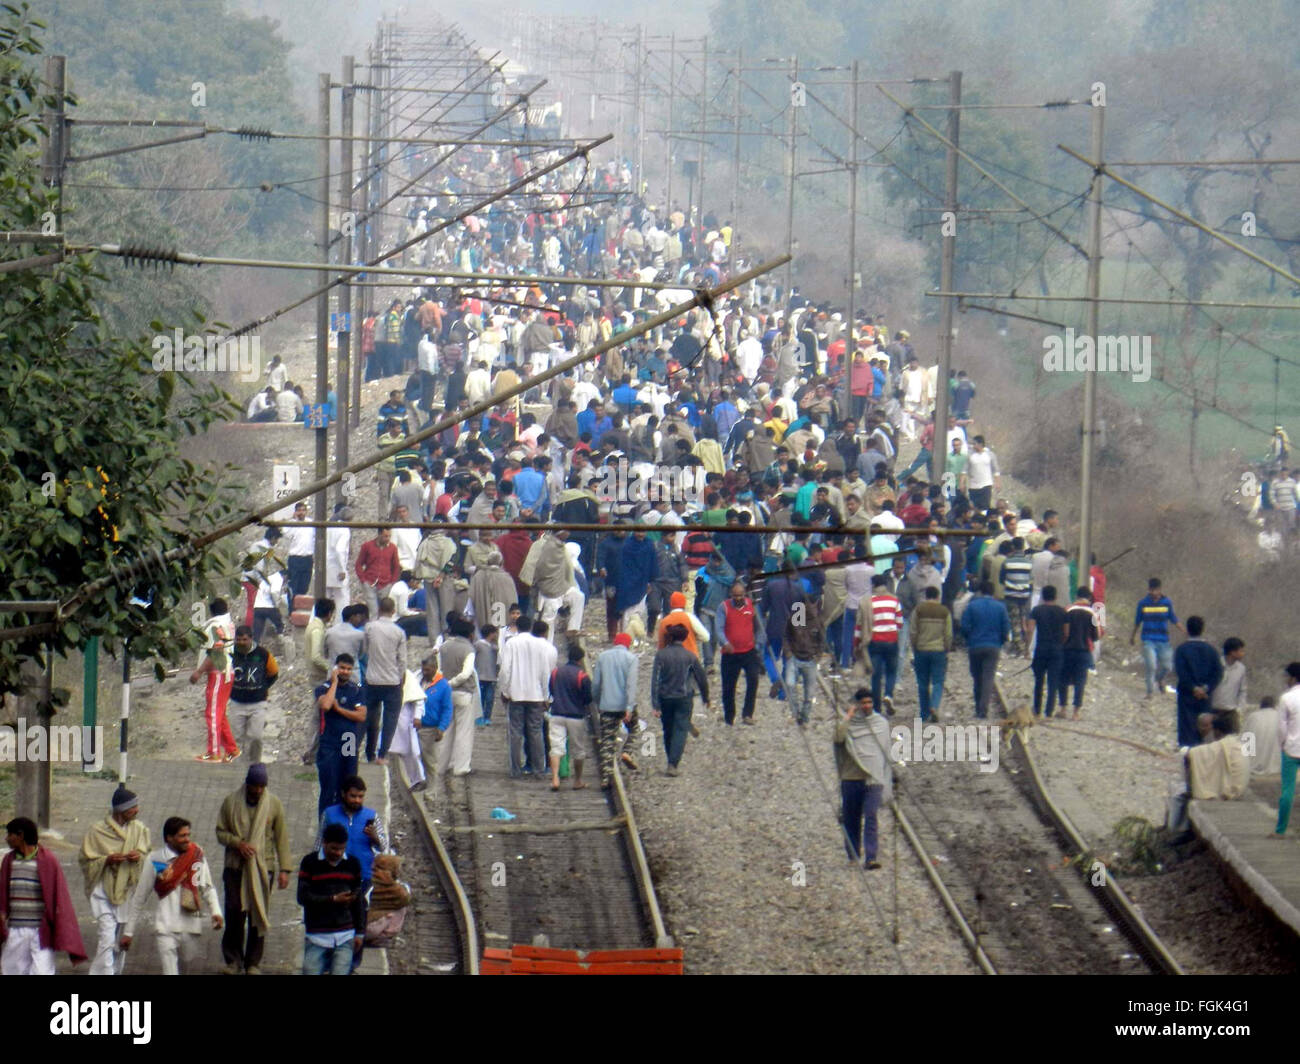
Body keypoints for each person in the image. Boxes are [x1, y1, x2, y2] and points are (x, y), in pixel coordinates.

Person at [215, 763, 292, 975]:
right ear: (247, 784)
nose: (258, 791)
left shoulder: (274, 804)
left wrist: (285, 869)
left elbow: (281, 838)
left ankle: (253, 963)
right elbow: (220, 833)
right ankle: (233, 960)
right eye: (254, 786)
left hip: (262, 868)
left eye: (261, 787)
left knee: (258, 913)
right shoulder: (231, 803)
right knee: (234, 913)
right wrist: (237, 843)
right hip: (235, 867)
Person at [121, 817, 223, 975]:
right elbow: (140, 897)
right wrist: (129, 932)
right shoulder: (155, 860)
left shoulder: (196, 855)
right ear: (169, 838)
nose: (187, 840)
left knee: (186, 968)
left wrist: (216, 911)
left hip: (191, 926)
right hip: (166, 926)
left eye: (188, 835)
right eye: (182, 836)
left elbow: (207, 887)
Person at [79, 783, 151, 975]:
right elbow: (86, 859)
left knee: (120, 940)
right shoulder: (97, 831)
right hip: (103, 890)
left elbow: (146, 854)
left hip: (127, 891)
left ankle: (113, 971)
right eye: (132, 807)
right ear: (121, 810)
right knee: (106, 937)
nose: (137, 810)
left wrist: (139, 858)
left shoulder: (139, 829)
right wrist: (107, 860)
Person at [318, 776, 387, 972]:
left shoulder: (371, 816)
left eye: (360, 797)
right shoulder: (330, 814)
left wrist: (374, 836)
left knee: (358, 921)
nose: (357, 800)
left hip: (362, 877)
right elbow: (319, 844)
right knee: (332, 918)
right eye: (353, 796)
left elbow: (384, 846)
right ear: (343, 795)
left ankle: (352, 965)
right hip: (334, 875)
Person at [1, 816, 86, 975]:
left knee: (42, 971)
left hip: (40, 931)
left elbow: (59, 896)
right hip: (16, 929)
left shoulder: (48, 860)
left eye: (10, 835)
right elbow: (3, 893)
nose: (7, 839)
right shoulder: (9, 861)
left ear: (20, 835)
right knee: (12, 970)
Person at [835, 690, 900, 869]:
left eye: (870, 702)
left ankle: (871, 856)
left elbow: (886, 750)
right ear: (856, 705)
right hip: (851, 777)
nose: (867, 706)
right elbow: (838, 738)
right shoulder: (848, 724)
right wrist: (847, 717)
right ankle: (853, 854)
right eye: (863, 703)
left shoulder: (881, 724)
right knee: (851, 819)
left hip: (874, 778)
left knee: (871, 815)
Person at [297, 823, 365, 976]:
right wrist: (332, 899)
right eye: (334, 848)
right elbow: (302, 897)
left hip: (345, 935)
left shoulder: (353, 864)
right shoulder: (310, 863)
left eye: (342, 848)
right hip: (317, 935)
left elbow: (358, 902)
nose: (338, 853)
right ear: (324, 843)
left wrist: (360, 933)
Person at [499, 618, 558, 778]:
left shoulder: (511, 643)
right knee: (536, 731)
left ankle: (516, 770)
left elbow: (505, 670)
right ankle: (539, 769)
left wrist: (504, 691)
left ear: (517, 627)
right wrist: (546, 695)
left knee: (515, 732)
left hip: (516, 694)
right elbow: (545, 672)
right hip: (536, 694)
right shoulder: (540, 645)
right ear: (531, 626)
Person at [649, 623, 708, 776]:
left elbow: (655, 680)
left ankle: (670, 758)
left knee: (667, 729)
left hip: (665, 697)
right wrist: (705, 696)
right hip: (684, 697)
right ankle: (673, 762)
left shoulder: (661, 655)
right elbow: (701, 677)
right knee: (681, 728)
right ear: (684, 637)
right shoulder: (690, 656)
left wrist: (655, 703)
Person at [315, 655, 367, 815]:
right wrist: (335, 683)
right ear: (335, 668)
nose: (345, 671)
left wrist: (339, 710)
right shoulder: (323, 688)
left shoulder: (357, 689)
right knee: (329, 788)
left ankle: (345, 825)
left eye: (349, 669)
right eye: (342, 668)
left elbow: (361, 716)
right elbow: (325, 705)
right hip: (329, 742)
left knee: (349, 785)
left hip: (349, 741)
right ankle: (325, 828)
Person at [191, 597, 238, 763]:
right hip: (228, 672)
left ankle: (214, 752)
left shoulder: (214, 626)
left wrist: (199, 671)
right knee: (220, 713)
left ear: (211, 611)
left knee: (212, 713)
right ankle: (232, 749)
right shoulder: (229, 624)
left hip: (218, 673)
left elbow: (215, 653)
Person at [363, 598, 408, 764]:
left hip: (372, 679)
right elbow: (402, 660)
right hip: (392, 681)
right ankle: (382, 755)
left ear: (379, 609)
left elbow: (365, 650)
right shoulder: (399, 632)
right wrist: (401, 678)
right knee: (390, 720)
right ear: (393, 611)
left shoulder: (370, 628)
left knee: (368, 718)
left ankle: (368, 752)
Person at [592, 633, 639, 786]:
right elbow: (631, 685)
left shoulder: (603, 657)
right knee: (634, 728)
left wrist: (598, 702)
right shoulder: (631, 659)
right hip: (624, 705)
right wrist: (629, 707)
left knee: (607, 741)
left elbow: (597, 684)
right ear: (628, 644)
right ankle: (627, 751)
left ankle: (606, 777)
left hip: (607, 705)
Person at [228, 625, 279, 764]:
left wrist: (262, 688)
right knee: (236, 738)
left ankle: (255, 764)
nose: (241, 643)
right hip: (236, 702)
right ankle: (237, 768)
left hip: (258, 703)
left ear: (251, 639)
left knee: (255, 737)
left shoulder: (263, 654)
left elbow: (274, 673)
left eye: (244, 639)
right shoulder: (230, 653)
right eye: (238, 640)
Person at [436, 615, 480, 775]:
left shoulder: (444, 646)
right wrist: (452, 682)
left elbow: (438, 670)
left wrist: (445, 684)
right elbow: (466, 673)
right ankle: (461, 767)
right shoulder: (469, 649)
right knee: (464, 731)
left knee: (446, 729)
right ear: (469, 634)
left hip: (447, 695)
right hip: (464, 694)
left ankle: (442, 764)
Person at [715, 580, 763, 726]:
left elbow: (759, 627)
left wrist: (759, 644)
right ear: (731, 595)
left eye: (740, 595)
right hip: (730, 654)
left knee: (753, 680)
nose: (738, 598)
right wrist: (725, 643)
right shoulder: (723, 607)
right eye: (735, 595)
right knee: (729, 687)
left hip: (749, 652)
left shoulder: (751, 606)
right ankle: (729, 716)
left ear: (744, 594)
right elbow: (718, 629)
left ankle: (748, 713)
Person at [961, 581, 1010, 719]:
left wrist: (969, 639)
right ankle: (983, 710)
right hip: (993, 646)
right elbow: (1006, 628)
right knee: (988, 677)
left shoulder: (971, 606)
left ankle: (978, 707)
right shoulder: (1000, 607)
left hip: (975, 646)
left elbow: (964, 627)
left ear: (980, 592)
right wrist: (1001, 641)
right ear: (993, 592)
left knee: (977, 677)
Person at [548, 642, 593, 791]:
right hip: (576, 715)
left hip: (556, 713)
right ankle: (578, 780)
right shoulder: (582, 675)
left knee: (556, 747)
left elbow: (551, 690)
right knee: (578, 750)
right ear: (580, 660)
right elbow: (588, 697)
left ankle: (555, 778)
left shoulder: (556, 672)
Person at [1130, 577, 1185, 699]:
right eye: (1151, 590)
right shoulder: (1143, 604)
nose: (1154, 593)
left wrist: (1184, 631)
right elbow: (1137, 622)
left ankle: (1159, 679)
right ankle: (1149, 692)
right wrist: (1133, 636)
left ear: (1160, 590)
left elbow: (1174, 619)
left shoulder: (1167, 603)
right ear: (1149, 590)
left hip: (1163, 640)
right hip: (1148, 640)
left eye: (1156, 590)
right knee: (1151, 665)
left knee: (1167, 666)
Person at [1173, 616, 1223, 748]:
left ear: (1188, 629)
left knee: (1186, 725)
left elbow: (1181, 672)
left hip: (1187, 694)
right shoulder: (1211, 651)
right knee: (1204, 727)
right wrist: (1206, 688)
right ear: (1202, 629)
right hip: (1205, 696)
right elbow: (1218, 673)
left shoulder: (1181, 650)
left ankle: (1188, 756)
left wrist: (1193, 688)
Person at [1025, 584, 1068, 719]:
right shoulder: (1062, 612)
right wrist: (1061, 644)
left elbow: (1030, 630)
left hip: (1041, 649)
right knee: (1053, 682)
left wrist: (1027, 648)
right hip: (1056, 650)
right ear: (1055, 596)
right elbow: (1067, 633)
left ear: (1043, 596)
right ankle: (1049, 713)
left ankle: (1037, 711)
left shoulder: (1037, 610)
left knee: (1039, 681)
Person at [910, 586, 952, 723]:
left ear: (926, 596)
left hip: (921, 650)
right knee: (938, 681)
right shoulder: (944, 611)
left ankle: (924, 713)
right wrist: (947, 649)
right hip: (938, 651)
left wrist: (914, 646)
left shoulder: (918, 610)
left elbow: (913, 631)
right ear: (938, 596)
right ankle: (934, 706)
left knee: (922, 682)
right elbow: (948, 634)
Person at [783, 588, 823, 726]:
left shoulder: (819, 621)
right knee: (789, 684)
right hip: (794, 657)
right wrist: (788, 652)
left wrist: (818, 655)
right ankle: (795, 712)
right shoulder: (796, 617)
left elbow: (823, 641)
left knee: (809, 693)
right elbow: (787, 635)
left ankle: (804, 716)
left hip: (810, 660)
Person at [865, 574, 902, 715]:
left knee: (876, 675)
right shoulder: (894, 600)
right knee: (891, 671)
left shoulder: (869, 602)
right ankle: (888, 695)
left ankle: (876, 707)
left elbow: (866, 623)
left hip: (875, 641)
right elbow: (899, 622)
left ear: (873, 585)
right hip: (891, 640)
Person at [1059, 588, 1098, 720]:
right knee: (1080, 681)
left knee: (1063, 679)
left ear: (1077, 596)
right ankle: (1076, 713)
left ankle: (1063, 709)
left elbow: (1063, 631)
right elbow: (1096, 635)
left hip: (1067, 650)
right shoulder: (1092, 612)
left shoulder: (1068, 610)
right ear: (1089, 598)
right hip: (1083, 650)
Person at [355, 527, 402, 621]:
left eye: (389, 536)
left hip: (385, 584)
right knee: (373, 611)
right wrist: (363, 580)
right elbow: (359, 564)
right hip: (369, 582)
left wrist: (392, 582)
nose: (387, 539)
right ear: (379, 534)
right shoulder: (367, 546)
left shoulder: (392, 548)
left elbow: (396, 566)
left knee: (384, 611)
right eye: (385, 536)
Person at [1276, 664, 1300, 835]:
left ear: (1293, 678)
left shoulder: (1286, 698)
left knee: (1288, 790)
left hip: (1291, 749)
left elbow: (1281, 728)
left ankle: (1280, 830)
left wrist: (1282, 744)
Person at [1210, 637, 1248, 735]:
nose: (1243, 653)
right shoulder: (1215, 665)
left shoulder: (1241, 669)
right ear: (1232, 652)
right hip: (1213, 710)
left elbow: (1243, 690)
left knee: (1233, 743)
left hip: (1231, 712)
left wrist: (1240, 708)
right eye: (1241, 651)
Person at [283, 501, 315, 600]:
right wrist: (295, 520)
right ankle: (291, 610)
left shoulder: (311, 523)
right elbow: (287, 535)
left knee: (304, 586)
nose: (301, 513)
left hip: (308, 559)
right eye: (299, 510)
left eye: (303, 510)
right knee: (293, 586)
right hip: (295, 559)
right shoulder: (290, 524)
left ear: (306, 511)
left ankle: (299, 609)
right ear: (295, 512)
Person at [1245, 696, 1281, 776]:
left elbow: (1245, 742)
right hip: (1276, 767)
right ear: (1274, 706)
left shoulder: (1253, 717)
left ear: (1261, 705)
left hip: (1252, 766)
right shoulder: (1280, 717)